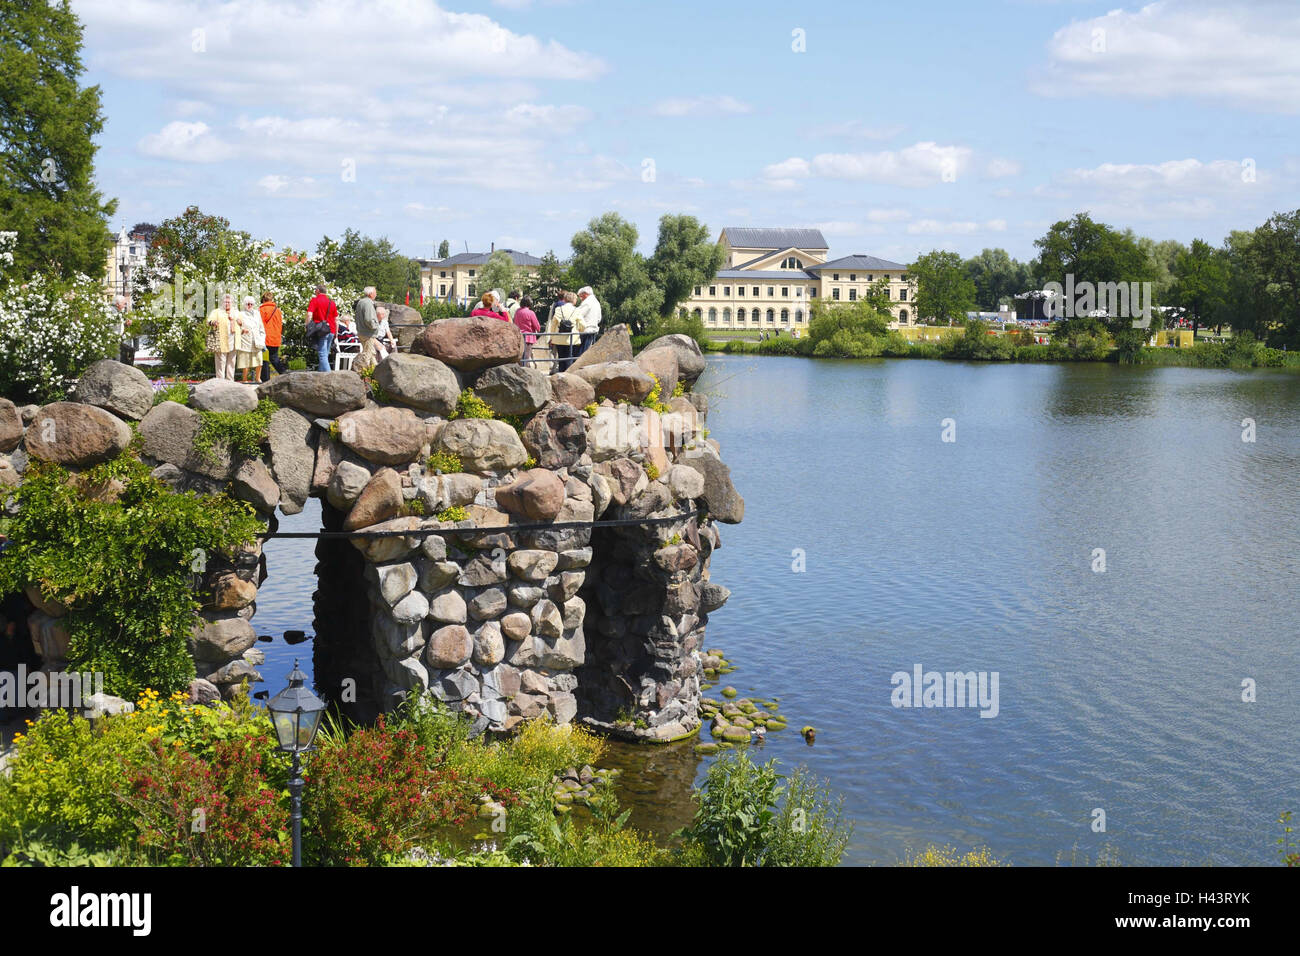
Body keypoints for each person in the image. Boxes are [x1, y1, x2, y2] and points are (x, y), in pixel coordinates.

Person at [205, 293, 240, 380]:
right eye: (225, 302)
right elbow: (209, 321)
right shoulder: (217, 311)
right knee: (221, 362)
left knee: (231, 363)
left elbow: (242, 324)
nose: (227, 304)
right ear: (222, 303)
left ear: (232, 303)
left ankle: (230, 382)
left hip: (234, 341)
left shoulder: (236, 312)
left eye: (229, 302)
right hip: (221, 341)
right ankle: (220, 382)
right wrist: (213, 322)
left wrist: (240, 323)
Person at [306, 284, 338, 372]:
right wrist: (336, 333)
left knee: (322, 354)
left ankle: (329, 376)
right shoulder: (332, 302)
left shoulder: (315, 300)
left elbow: (309, 314)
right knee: (325, 354)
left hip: (321, 331)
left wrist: (307, 326)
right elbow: (336, 319)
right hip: (331, 330)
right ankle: (321, 375)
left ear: (318, 291)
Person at [549, 291, 580, 371]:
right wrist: (579, 331)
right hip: (571, 339)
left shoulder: (559, 309)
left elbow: (553, 325)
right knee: (569, 358)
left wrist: (551, 337)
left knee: (561, 358)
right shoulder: (576, 310)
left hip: (559, 338)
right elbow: (583, 325)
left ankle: (561, 375)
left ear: (565, 300)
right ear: (574, 300)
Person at [259, 292, 286, 381]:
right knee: (274, 358)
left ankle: (265, 380)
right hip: (276, 338)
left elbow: (260, 325)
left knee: (264, 360)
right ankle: (284, 373)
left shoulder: (262, 310)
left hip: (266, 338)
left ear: (263, 299)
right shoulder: (277, 310)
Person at [236, 295, 263, 383]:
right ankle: (245, 379)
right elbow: (236, 327)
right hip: (245, 340)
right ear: (245, 304)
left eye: (251, 304)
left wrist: (262, 338)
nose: (249, 305)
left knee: (259, 359)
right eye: (248, 304)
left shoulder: (257, 313)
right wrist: (242, 330)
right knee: (245, 360)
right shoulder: (240, 314)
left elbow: (261, 327)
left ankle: (258, 378)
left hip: (257, 340)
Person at [353, 285, 381, 371]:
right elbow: (369, 319)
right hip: (368, 333)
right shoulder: (368, 303)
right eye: (375, 292)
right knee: (367, 355)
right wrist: (375, 326)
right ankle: (360, 371)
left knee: (371, 353)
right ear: (371, 294)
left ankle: (374, 371)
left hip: (361, 332)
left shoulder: (361, 302)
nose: (376, 294)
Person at [573, 286, 602, 355]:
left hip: (585, 330)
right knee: (586, 351)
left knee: (579, 353)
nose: (580, 299)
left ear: (585, 294)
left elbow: (578, 314)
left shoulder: (587, 302)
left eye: (581, 296)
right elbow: (599, 318)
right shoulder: (596, 302)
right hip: (593, 330)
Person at [513, 295, 540, 363]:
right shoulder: (531, 313)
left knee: (519, 356)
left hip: (518, 336)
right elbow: (537, 327)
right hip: (528, 337)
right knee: (526, 356)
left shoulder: (517, 311)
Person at [113, 294, 137, 366]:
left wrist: (125, 323)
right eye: (124, 304)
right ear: (117, 304)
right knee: (116, 361)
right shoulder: (113, 312)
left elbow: (118, 324)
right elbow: (113, 326)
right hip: (113, 340)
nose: (125, 306)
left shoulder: (117, 312)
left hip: (116, 340)